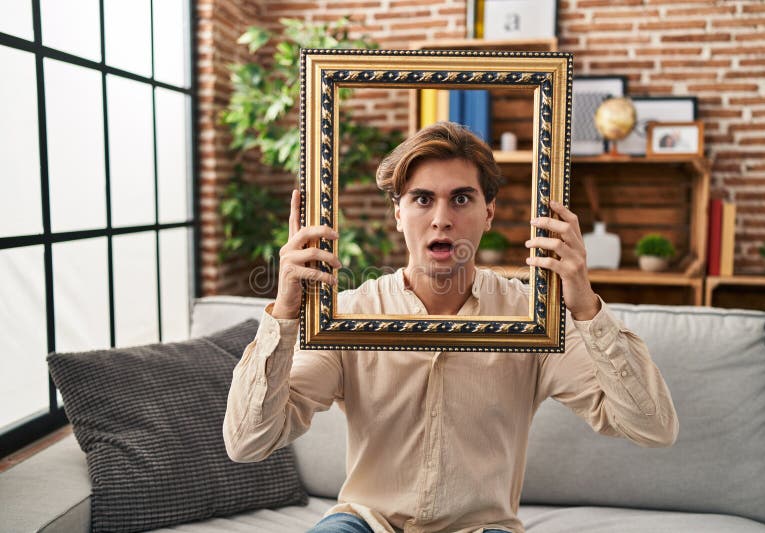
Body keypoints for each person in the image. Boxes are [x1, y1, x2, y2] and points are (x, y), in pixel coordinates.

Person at [223, 121, 679, 533]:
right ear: (398, 214)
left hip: (482, 528)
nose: (442, 217)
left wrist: (584, 304)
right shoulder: (349, 313)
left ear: (489, 213)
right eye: (423, 199)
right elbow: (247, 443)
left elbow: (653, 427)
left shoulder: (533, 319)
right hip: (367, 523)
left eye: (461, 198)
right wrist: (284, 313)